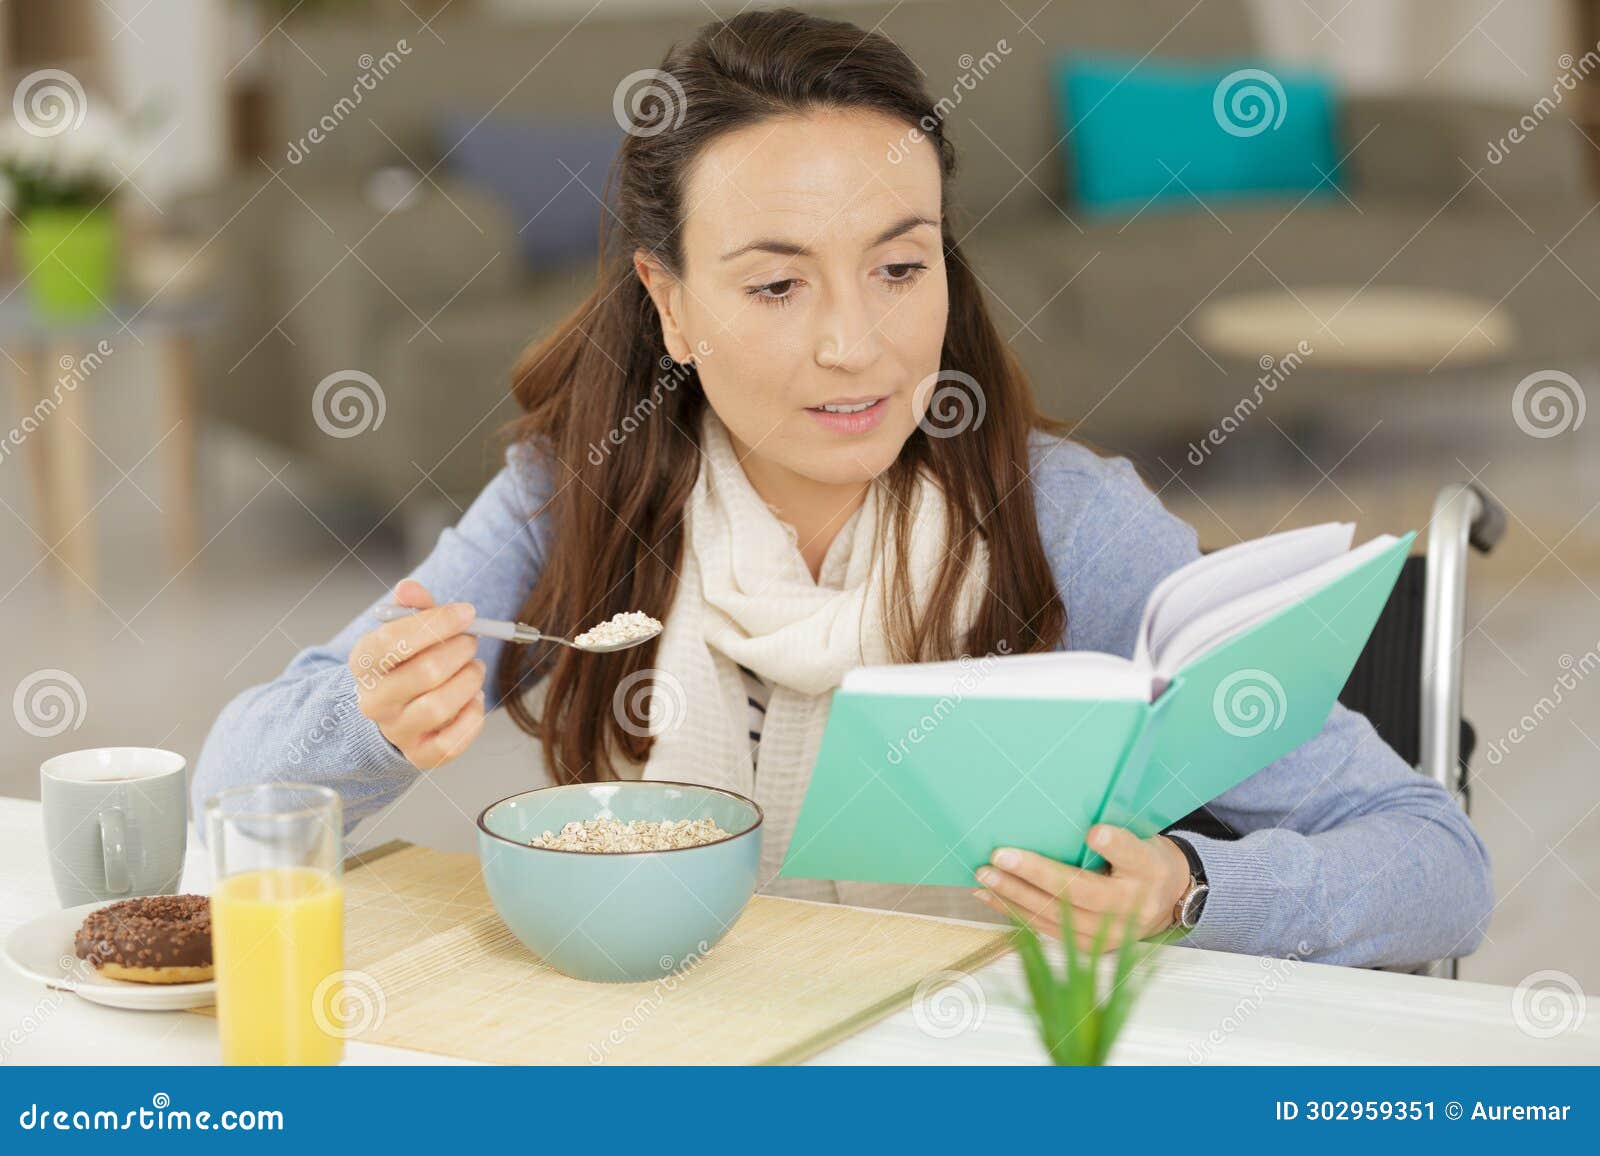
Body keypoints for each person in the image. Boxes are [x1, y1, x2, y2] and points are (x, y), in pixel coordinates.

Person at [193, 7, 1492, 969]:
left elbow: (1435, 863)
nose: (855, 345)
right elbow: (232, 790)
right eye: (775, 283)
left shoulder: (1071, 525)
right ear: (670, 302)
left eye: (897, 267)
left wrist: (1191, 889)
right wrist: (363, 719)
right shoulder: (568, 496)